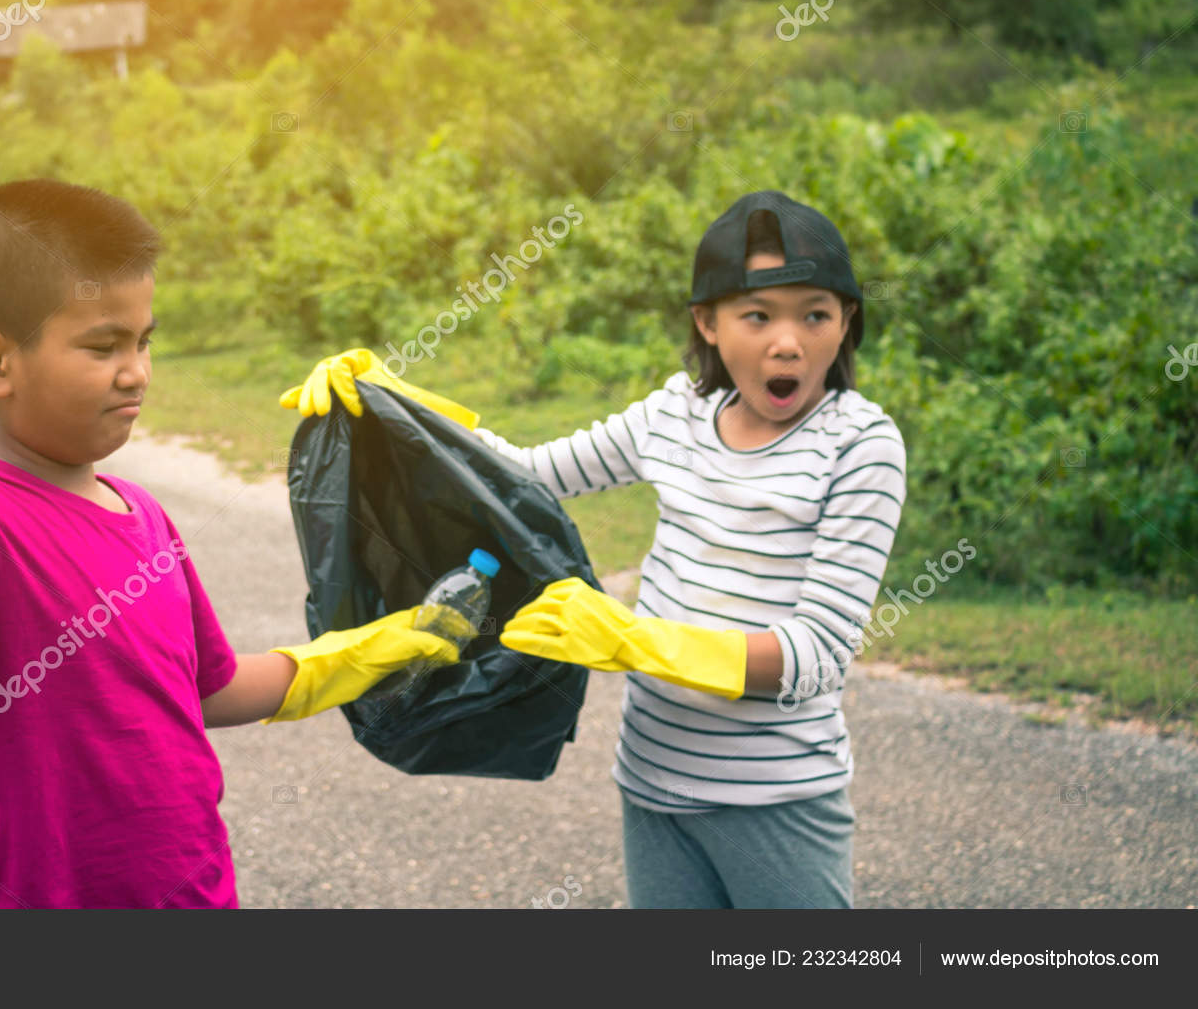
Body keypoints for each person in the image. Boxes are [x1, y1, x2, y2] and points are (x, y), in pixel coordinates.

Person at [0, 178, 459, 909]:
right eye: (103, 345)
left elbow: (209, 687)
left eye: (143, 341)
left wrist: (374, 649)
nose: (136, 371)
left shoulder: (145, 516)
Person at [282, 189, 907, 908]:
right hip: (652, 780)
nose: (788, 341)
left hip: (777, 798)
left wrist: (637, 640)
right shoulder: (677, 413)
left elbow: (817, 654)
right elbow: (521, 481)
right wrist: (396, 402)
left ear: (847, 320)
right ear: (707, 321)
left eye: (816, 314)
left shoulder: (861, 446)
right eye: (757, 315)